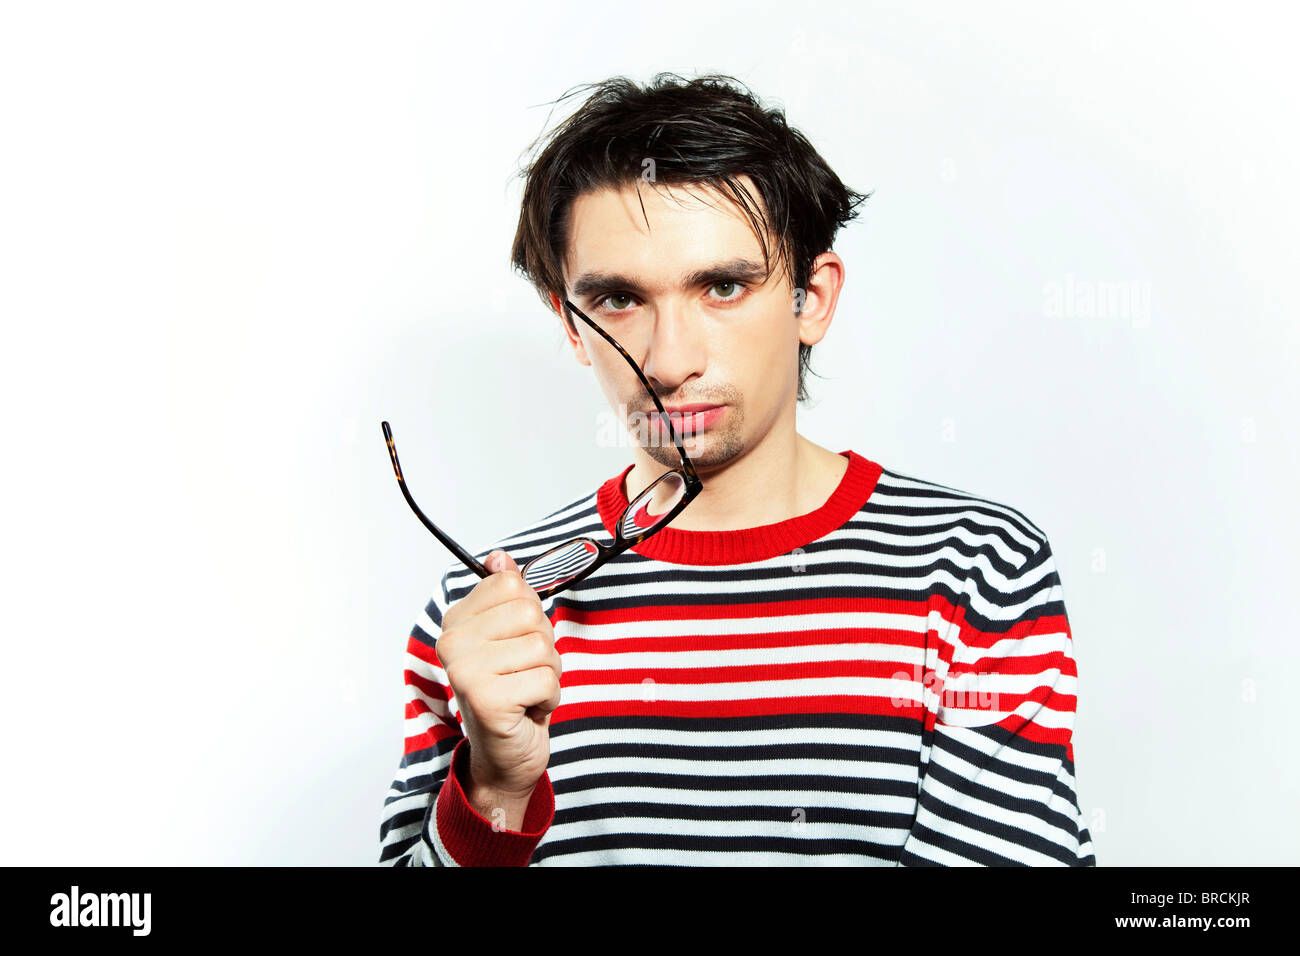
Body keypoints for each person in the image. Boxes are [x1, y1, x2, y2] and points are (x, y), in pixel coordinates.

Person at [378, 72, 1096, 866]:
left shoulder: (973, 569)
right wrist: (495, 792)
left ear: (811, 299)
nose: (668, 360)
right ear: (572, 327)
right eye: (618, 300)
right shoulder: (485, 612)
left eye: (722, 287)